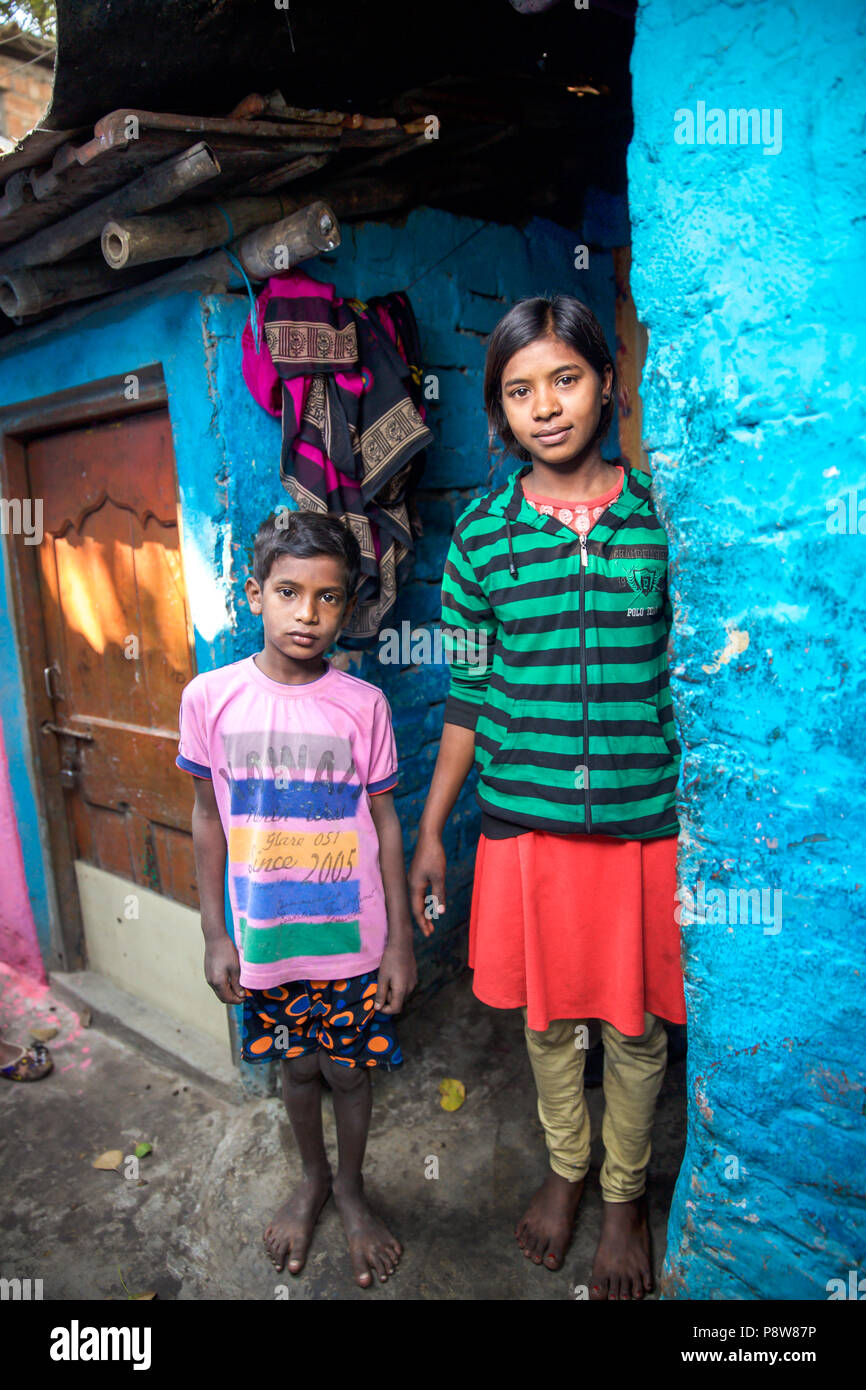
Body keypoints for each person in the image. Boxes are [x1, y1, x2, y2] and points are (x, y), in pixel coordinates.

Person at [409, 295, 686, 1301]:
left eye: (564, 379)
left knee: (632, 1027)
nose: (545, 406)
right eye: (518, 391)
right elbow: (469, 693)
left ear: (605, 383)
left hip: (637, 826)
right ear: (498, 411)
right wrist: (433, 828)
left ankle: (623, 1196)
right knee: (546, 1024)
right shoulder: (480, 537)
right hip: (526, 832)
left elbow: (684, 672)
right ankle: (564, 1171)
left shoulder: (660, 519)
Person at [176, 510, 417, 1288]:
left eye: (328, 598)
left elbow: (384, 820)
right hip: (265, 941)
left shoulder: (362, 706)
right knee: (299, 1064)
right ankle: (311, 1177)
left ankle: (349, 1187)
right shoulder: (210, 699)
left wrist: (400, 941)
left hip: (350, 938)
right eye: (289, 592)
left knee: (350, 1070)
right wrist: (218, 932)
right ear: (255, 595)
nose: (307, 614)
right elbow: (208, 819)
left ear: (347, 607)